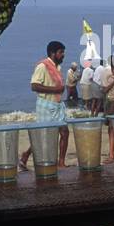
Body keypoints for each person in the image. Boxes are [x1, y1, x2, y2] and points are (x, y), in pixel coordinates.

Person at [20, 40, 69, 170]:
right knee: (44, 135)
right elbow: (34, 86)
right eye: (60, 52)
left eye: (63, 52)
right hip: (45, 105)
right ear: (53, 53)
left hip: (57, 105)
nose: (63, 55)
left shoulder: (57, 67)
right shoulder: (42, 66)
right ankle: (25, 155)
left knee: (65, 132)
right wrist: (55, 90)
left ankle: (61, 162)